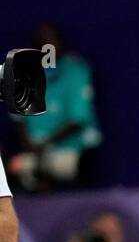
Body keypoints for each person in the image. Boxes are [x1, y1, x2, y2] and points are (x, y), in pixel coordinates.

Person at [6, 23, 101, 191]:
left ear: (61, 42)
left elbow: (77, 119)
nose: (47, 45)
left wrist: (44, 144)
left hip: (71, 150)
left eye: (51, 40)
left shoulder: (76, 70)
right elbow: (18, 119)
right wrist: (31, 147)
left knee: (74, 167)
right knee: (13, 169)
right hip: (34, 153)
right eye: (41, 41)